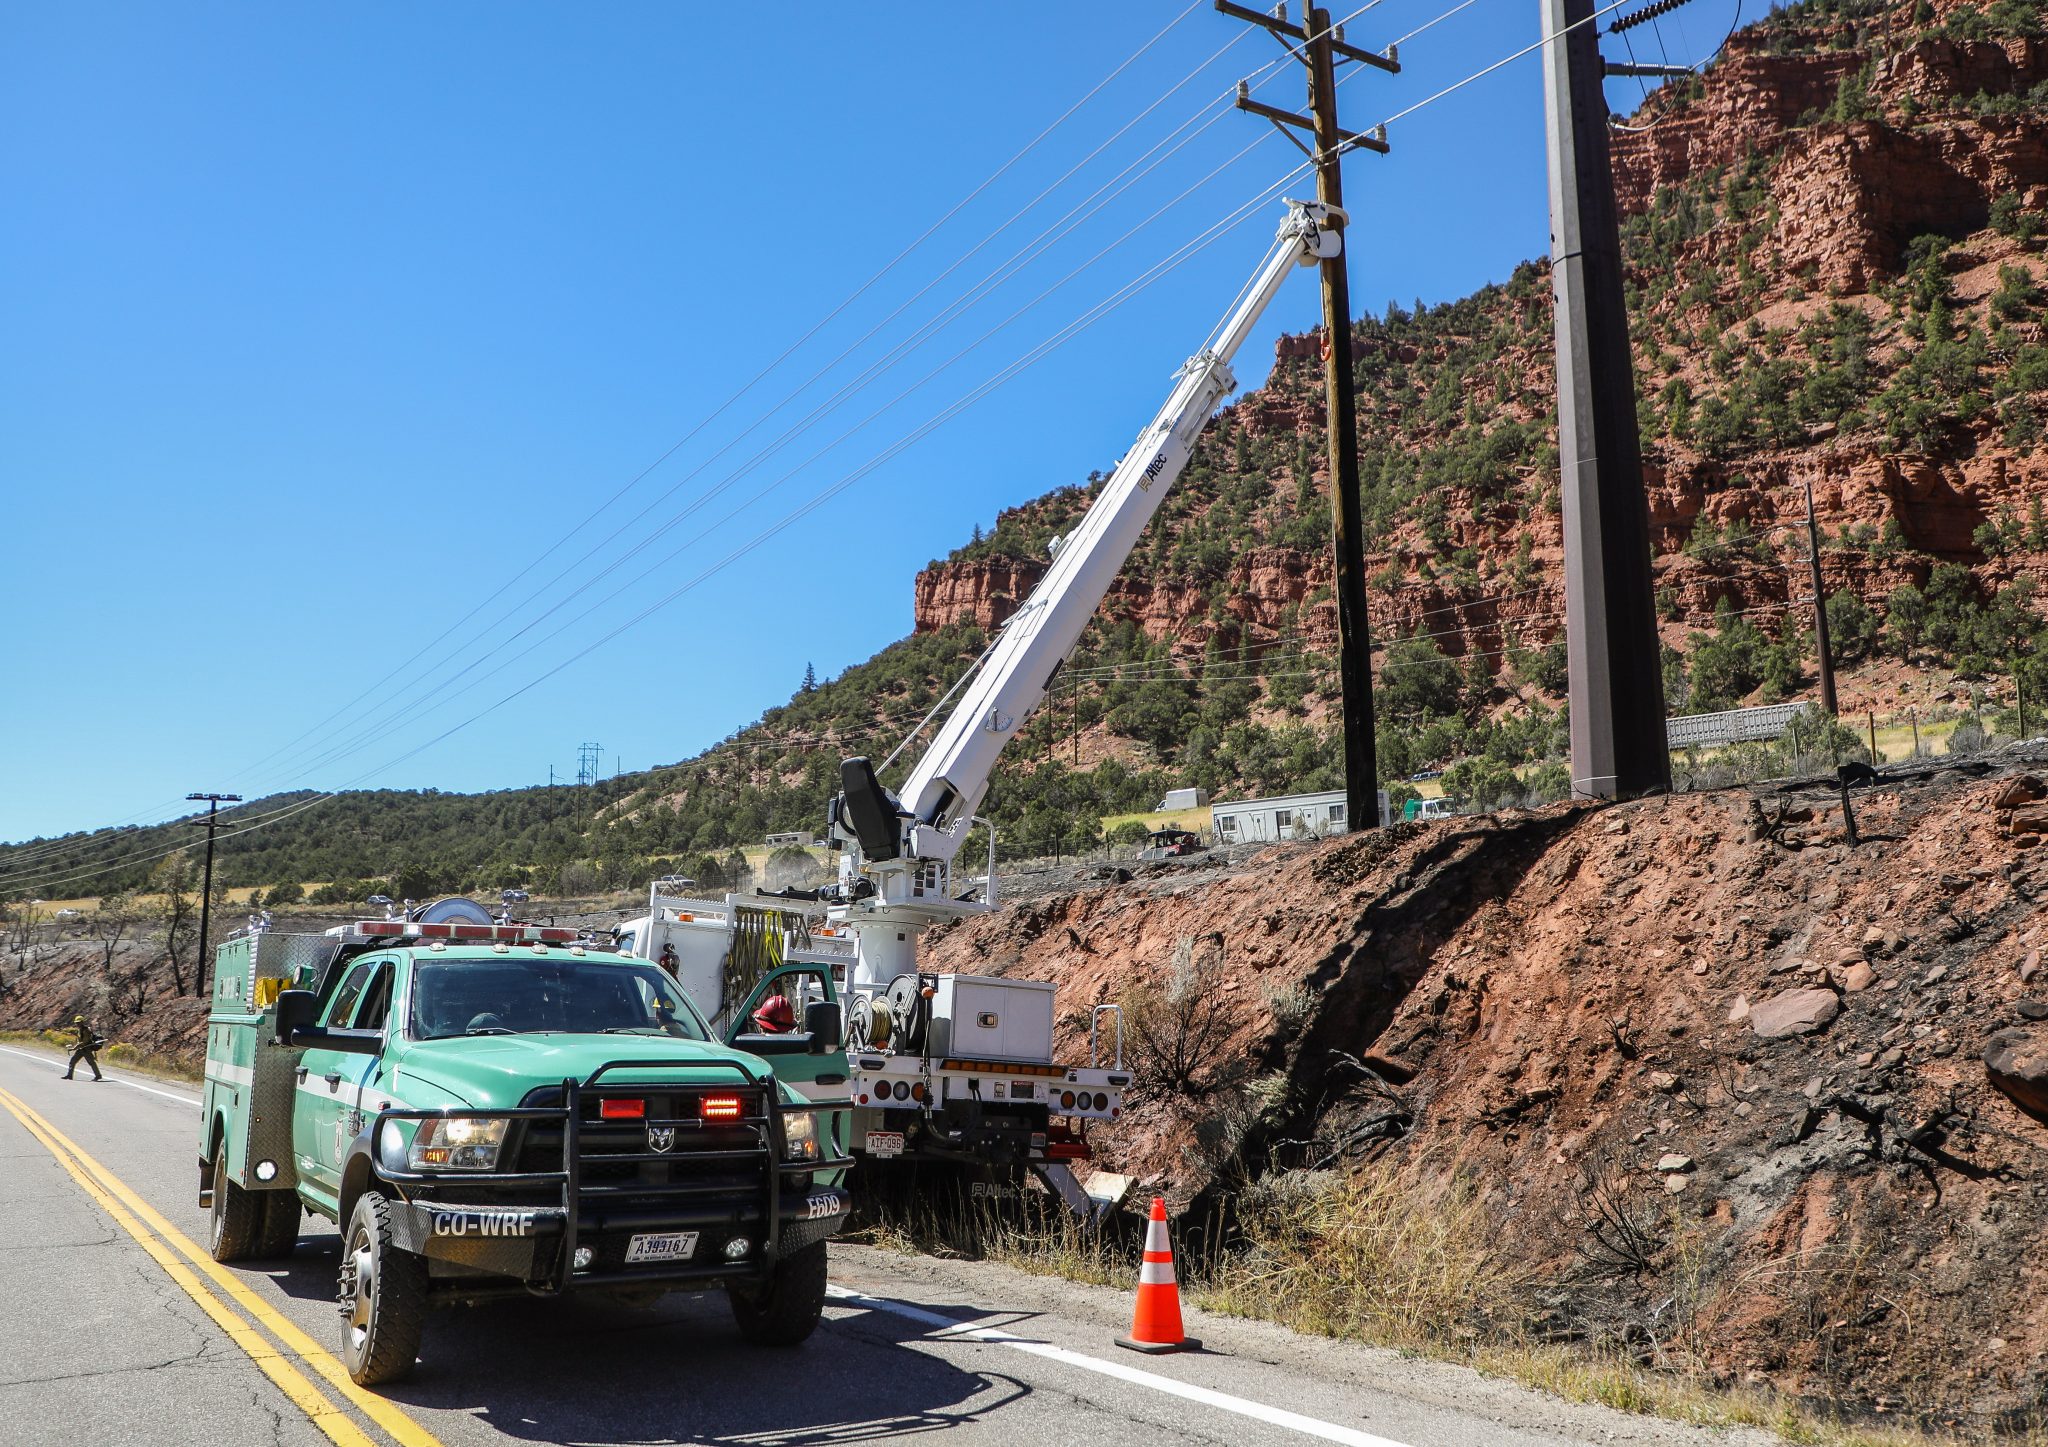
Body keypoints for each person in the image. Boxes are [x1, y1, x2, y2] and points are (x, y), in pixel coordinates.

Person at [63, 1015, 103, 1081]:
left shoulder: (86, 1030)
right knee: (72, 1061)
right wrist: (76, 1047)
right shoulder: (80, 1030)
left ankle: (98, 1076)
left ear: (82, 1022)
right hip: (81, 1049)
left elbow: (84, 1042)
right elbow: (80, 1041)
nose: (77, 1024)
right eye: (76, 1022)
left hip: (86, 1049)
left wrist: (74, 1048)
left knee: (91, 1063)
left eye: (78, 1022)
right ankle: (69, 1075)